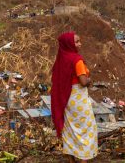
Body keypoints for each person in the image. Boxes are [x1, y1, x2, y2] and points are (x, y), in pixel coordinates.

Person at [51, 32, 98, 163]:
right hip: (78, 99)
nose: (80, 44)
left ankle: (71, 160)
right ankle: (84, 159)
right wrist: (89, 80)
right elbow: (83, 82)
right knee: (87, 128)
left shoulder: (60, 60)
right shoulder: (76, 60)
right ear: (69, 43)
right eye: (77, 41)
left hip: (66, 99)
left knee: (70, 129)